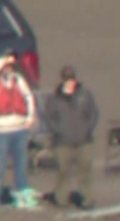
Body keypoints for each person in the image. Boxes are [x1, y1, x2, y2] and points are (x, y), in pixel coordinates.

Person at [0, 50, 38, 206]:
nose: (9, 69)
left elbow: (28, 97)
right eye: (6, 66)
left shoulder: (19, 80)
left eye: (11, 66)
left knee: (21, 166)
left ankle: (23, 195)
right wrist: (2, 60)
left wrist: (30, 117)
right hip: (0, 132)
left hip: (20, 130)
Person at [45, 65, 100, 209]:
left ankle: (87, 199)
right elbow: (49, 118)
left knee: (85, 171)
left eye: (72, 79)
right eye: (67, 79)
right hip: (63, 142)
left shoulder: (85, 95)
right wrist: (58, 131)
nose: (70, 82)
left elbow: (93, 114)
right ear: (62, 80)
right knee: (63, 172)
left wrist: (88, 128)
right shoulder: (54, 98)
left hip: (84, 140)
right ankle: (61, 199)